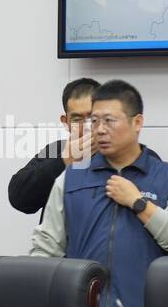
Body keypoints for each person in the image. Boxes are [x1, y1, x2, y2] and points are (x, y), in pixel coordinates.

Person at [30, 79, 168, 307]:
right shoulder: (70, 178)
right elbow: (44, 252)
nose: (99, 130)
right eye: (94, 121)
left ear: (137, 122)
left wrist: (139, 203)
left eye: (109, 121)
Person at [8, 77, 100, 218]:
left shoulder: (124, 154)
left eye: (92, 118)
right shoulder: (57, 150)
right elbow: (19, 199)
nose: (86, 127)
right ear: (66, 122)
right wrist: (63, 161)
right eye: (77, 119)